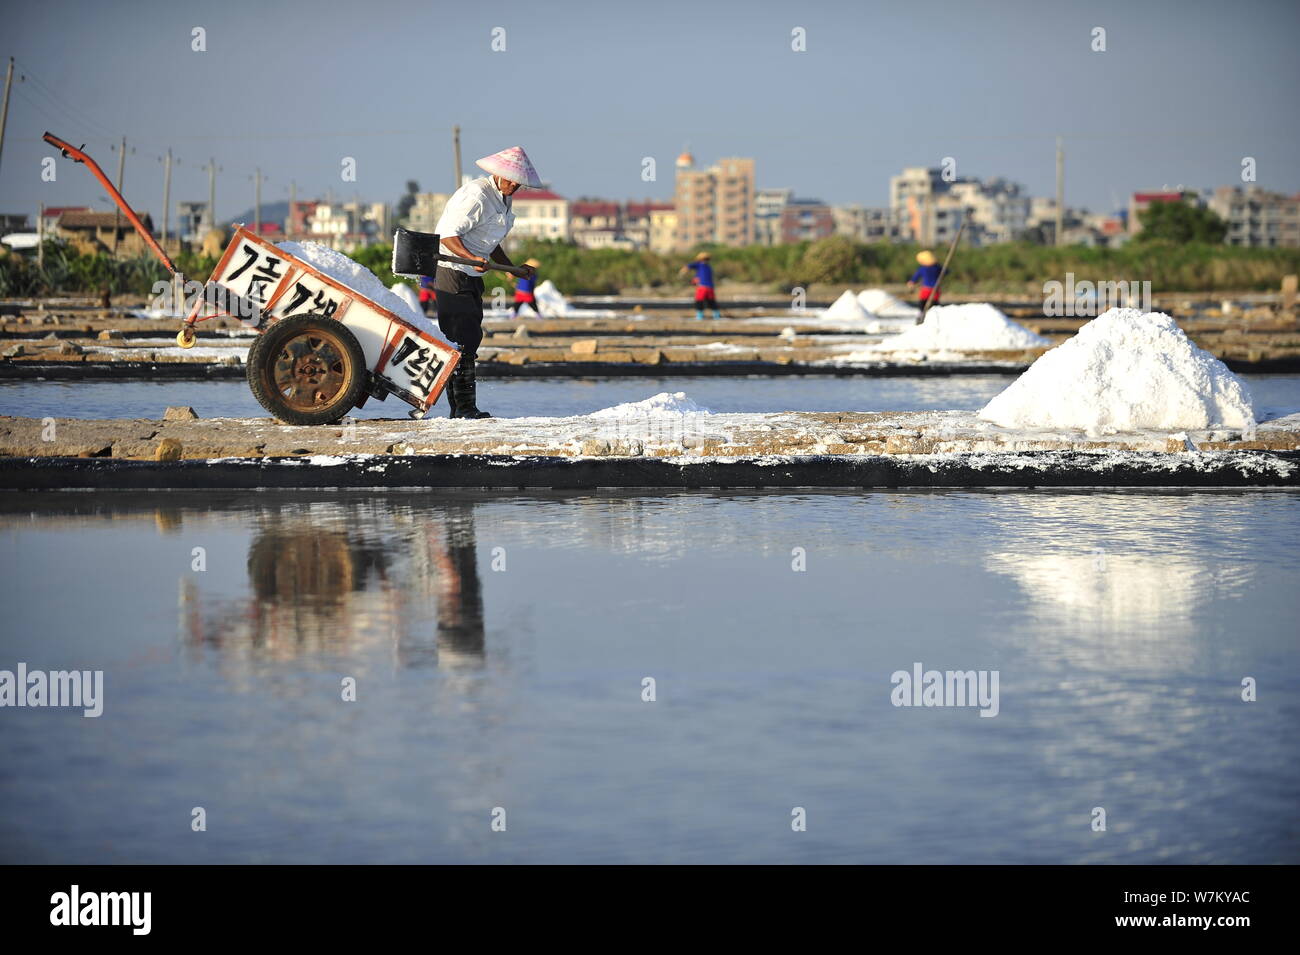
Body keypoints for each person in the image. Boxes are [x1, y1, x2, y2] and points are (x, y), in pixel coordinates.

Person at [433, 145, 542, 418]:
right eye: (510, 180)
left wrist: (511, 268)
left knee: (469, 340)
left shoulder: (504, 198)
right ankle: (463, 409)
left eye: (519, 183)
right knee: (461, 340)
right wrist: (470, 257)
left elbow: (490, 242)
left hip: (472, 276)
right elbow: (447, 236)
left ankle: (462, 409)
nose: (514, 186)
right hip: (453, 273)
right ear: (498, 174)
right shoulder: (476, 194)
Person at [679, 251, 721, 320]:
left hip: (703, 287)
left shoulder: (699, 265)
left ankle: (700, 316)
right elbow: (700, 276)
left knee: (699, 301)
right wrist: (695, 281)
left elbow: (688, 266)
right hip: (710, 287)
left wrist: (682, 273)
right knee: (711, 301)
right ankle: (716, 315)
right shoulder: (709, 267)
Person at [907, 250, 944, 314]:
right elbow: (946, 272)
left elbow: (915, 277)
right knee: (934, 305)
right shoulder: (938, 267)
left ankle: (922, 315)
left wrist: (911, 283)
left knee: (923, 304)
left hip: (926, 290)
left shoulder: (922, 268)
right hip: (936, 290)